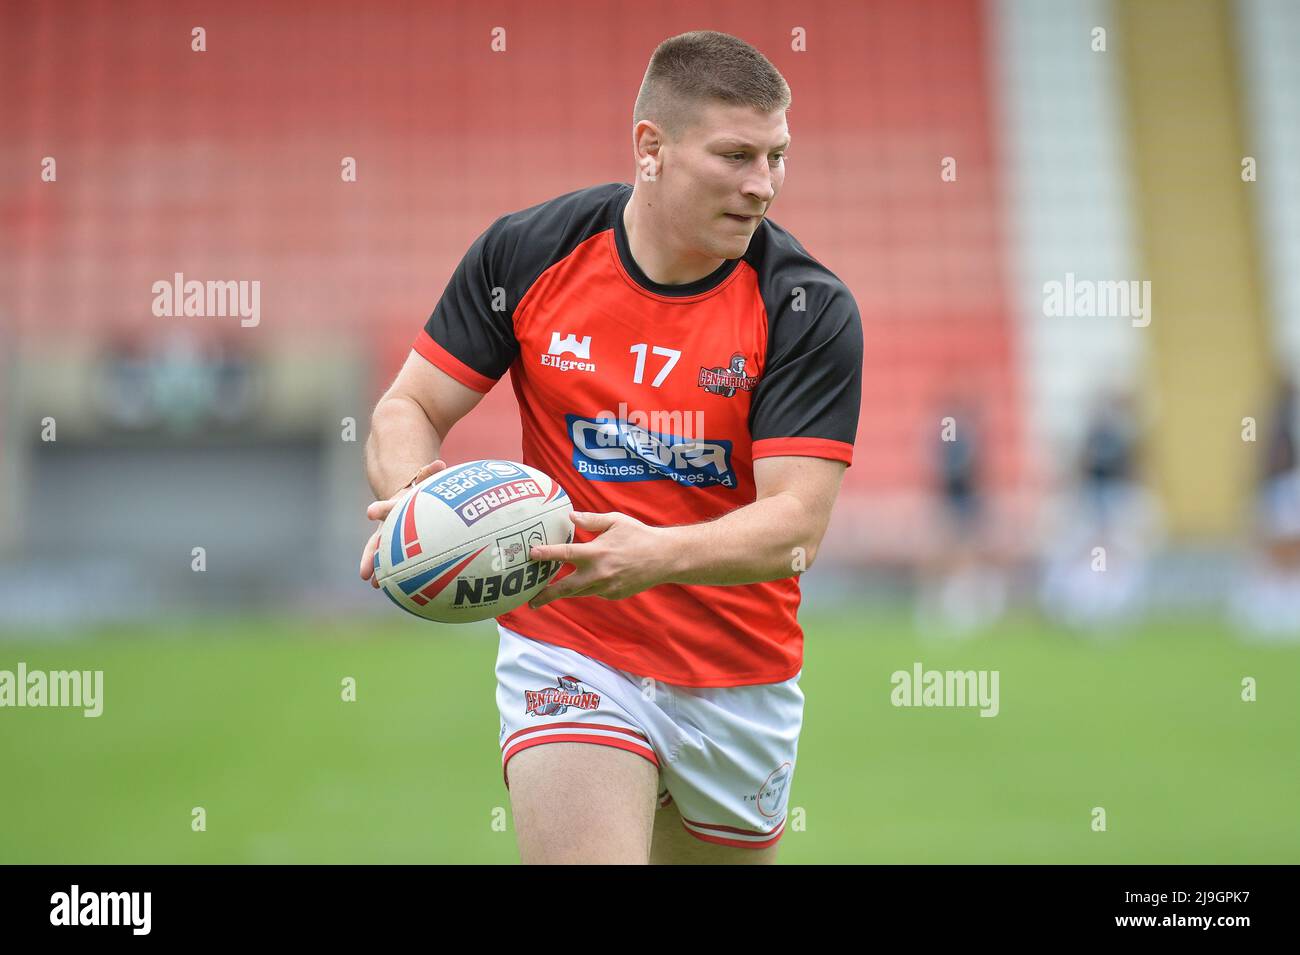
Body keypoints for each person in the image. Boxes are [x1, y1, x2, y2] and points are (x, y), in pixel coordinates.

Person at [360, 30, 862, 864]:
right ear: (651, 148)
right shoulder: (529, 252)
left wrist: (654, 555)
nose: (763, 185)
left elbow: (796, 527)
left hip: (738, 678)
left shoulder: (805, 306)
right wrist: (419, 497)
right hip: (570, 646)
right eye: (736, 155)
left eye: (776, 157)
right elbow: (408, 403)